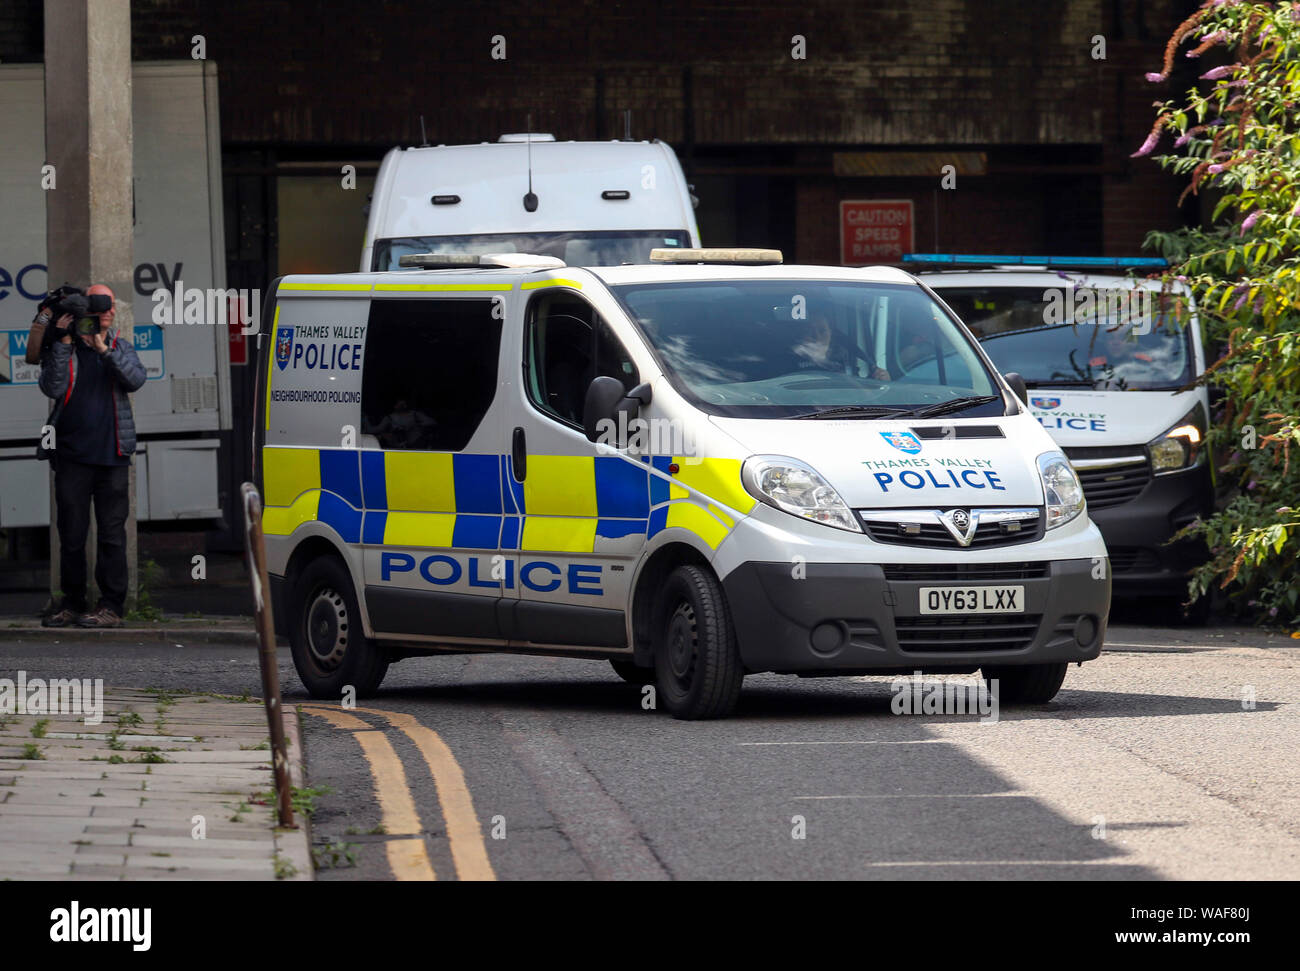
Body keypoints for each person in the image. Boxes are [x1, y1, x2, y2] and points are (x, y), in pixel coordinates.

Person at [37, 284, 146, 628]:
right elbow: (51, 388)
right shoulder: (63, 348)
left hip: (112, 457)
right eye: (100, 307)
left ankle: (111, 606)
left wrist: (103, 349)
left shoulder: (119, 346)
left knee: (112, 536)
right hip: (71, 457)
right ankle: (72, 603)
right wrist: (63, 343)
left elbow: (135, 379)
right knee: (71, 534)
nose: (107, 313)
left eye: (110, 307)